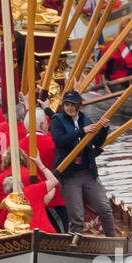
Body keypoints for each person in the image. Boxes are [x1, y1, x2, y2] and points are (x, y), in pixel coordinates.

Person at [49, 90, 115, 236]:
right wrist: (81, 132)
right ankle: (75, 246)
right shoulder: (57, 120)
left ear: (79, 105)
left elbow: (96, 144)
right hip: (70, 175)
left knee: (105, 209)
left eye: (73, 105)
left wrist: (104, 129)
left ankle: (113, 241)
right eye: (66, 104)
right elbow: (59, 141)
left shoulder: (86, 119)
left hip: (88, 172)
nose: (69, 108)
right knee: (77, 217)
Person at [0, 153, 62, 234]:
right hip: (45, 234)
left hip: (25, 237)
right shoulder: (33, 190)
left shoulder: (7, 203)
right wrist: (40, 165)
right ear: (20, 183)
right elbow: (54, 181)